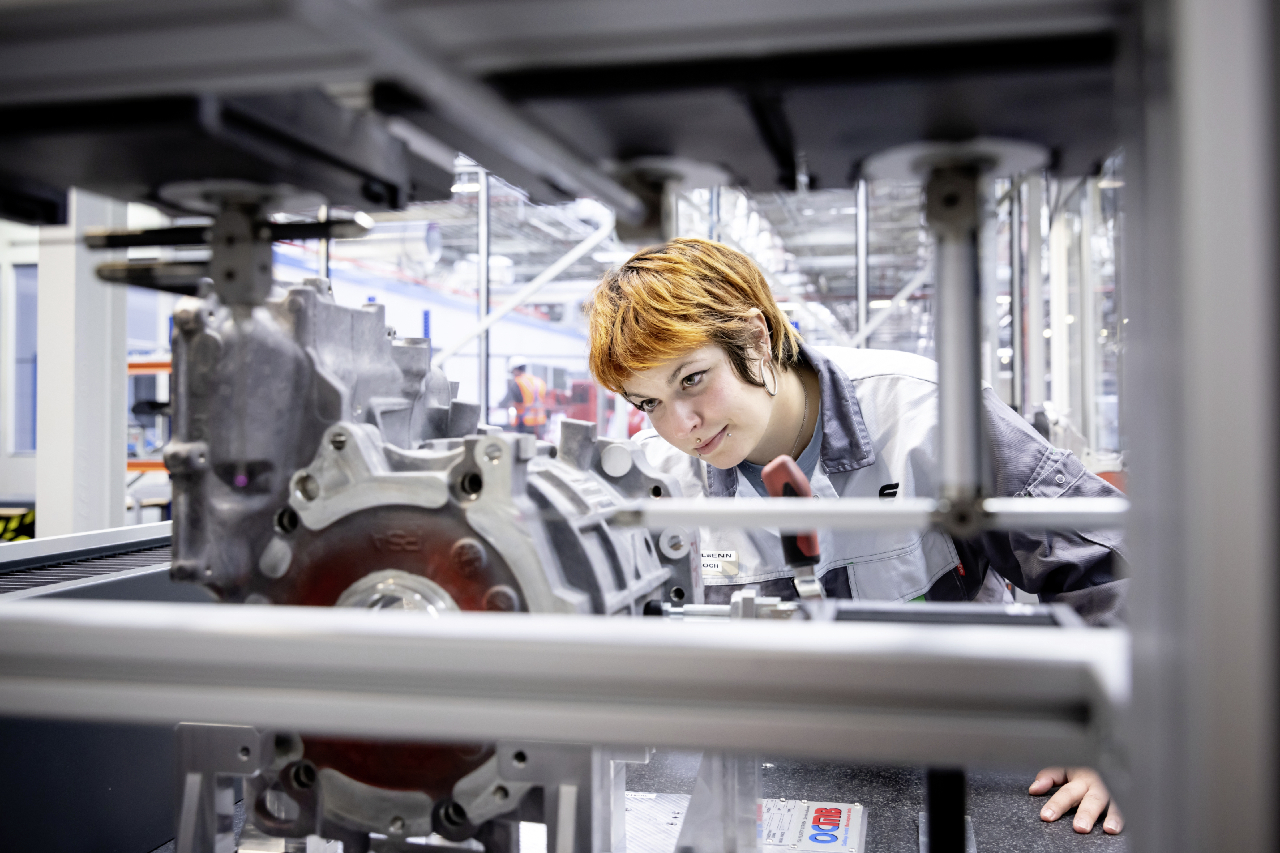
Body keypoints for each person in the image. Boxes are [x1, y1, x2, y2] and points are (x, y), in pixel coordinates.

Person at [587, 237, 1126, 835]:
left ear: (756, 338)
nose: (681, 426)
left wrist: (1114, 733)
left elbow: (1108, 565)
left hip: (958, 751)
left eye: (692, 379)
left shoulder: (927, 412)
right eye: (648, 402)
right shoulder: (653, 480)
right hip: (767, 769)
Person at [501, 356, 547, 437]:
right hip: (540, 423)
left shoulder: (518, 383)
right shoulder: (539, 381)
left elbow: (506, 401)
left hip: (525, 424)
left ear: (515, 369)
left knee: (525, 448)